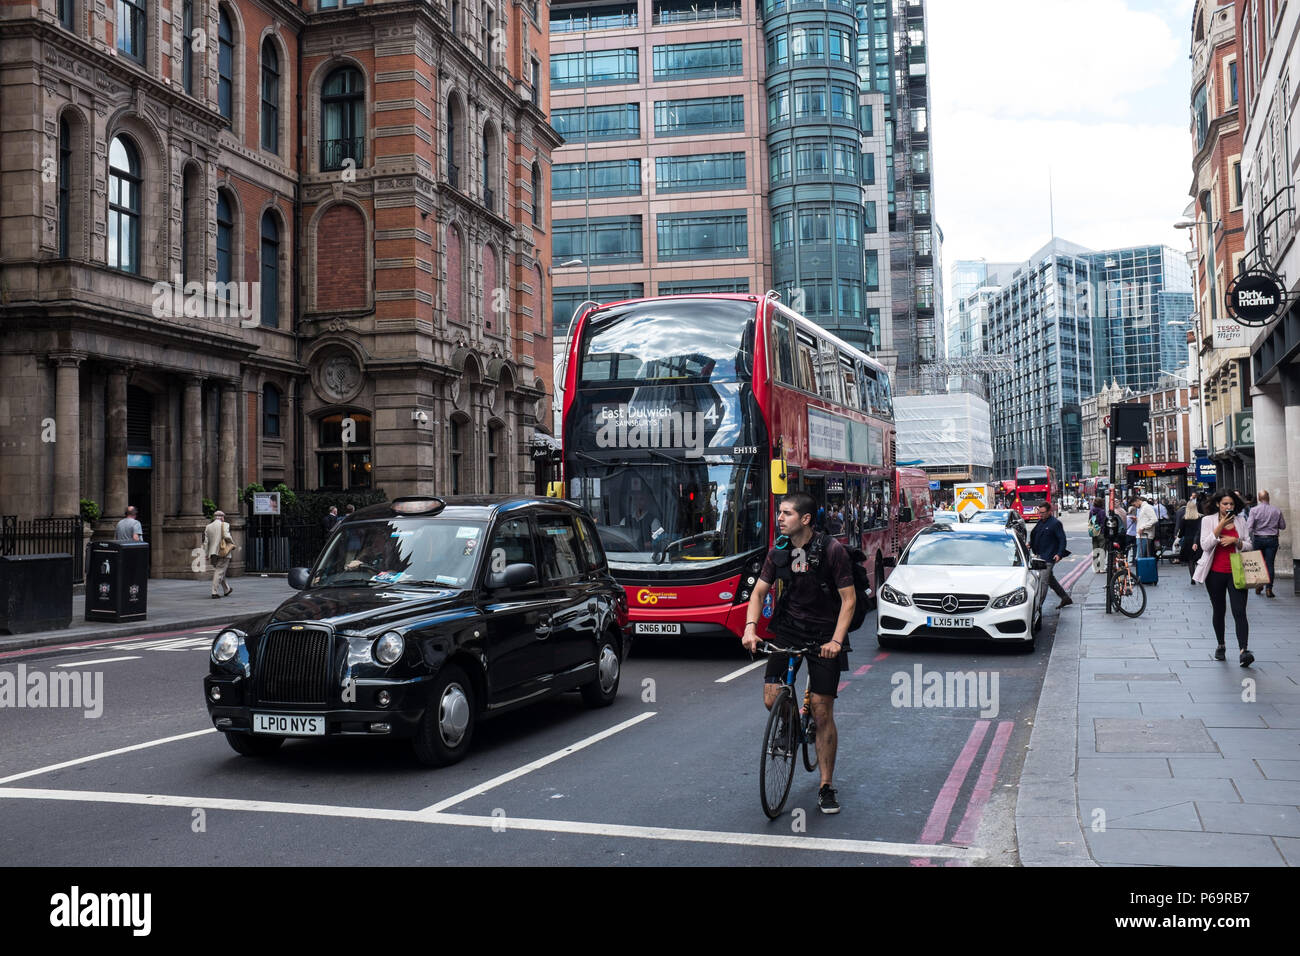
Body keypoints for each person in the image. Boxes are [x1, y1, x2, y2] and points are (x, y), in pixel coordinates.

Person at [742, 492, 855, 815]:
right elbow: (759, 591)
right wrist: (751, 628)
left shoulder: (831, 551)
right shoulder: (778, 549)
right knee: (770, 697)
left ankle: (826, 786)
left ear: (805, 519)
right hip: (789, 628)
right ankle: (790, 724)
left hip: (824, 635)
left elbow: (848, 601)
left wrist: (835, 641)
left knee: (821, 713)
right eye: (779, 512)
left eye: (786, 513)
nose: (779, 518)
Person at [1193, 489, 1254, 667]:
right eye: (1225, 504)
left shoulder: (1241, 521)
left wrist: (1236, 541)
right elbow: (1205, 545)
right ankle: (1221, 644)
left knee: (1239, 611)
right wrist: (1220, 528)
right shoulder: (1207, 520)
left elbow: (1249, 545)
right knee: (1219, 610)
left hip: (1237, 570)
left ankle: (1244, 651)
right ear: (1218, 504)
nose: (1228, 507)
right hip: (1215, 572)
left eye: (1232, 504)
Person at [1029, 501, 1072, 607]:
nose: (1041, 515)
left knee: (1043, 581)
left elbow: (1062, 540)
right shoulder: (1040, 522)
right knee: (1049, 579)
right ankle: (1065, 597)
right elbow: (1037, 535)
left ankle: (1038, 606)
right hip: (1040, 556)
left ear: (1049, 512)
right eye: (1040, 512)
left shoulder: (1055, 523)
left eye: (1043, 512)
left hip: (1049, 557)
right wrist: (1030, 544)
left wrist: (1059, 554)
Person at [1245, 489, 1287, 598]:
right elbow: (1283, 526)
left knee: (1259, 563)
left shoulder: (1254, 510)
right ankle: (1269, 588)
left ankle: (1259, 585)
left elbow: (1249, 527)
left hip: (1258, 539)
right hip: (1272, 539)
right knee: (1270, 564)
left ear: (1259, 498)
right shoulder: (1276, 510)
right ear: (1268, 497)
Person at [204, 510, 235, 598]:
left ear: (214, 517)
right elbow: (227, 536)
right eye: (223, 517)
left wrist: (206, 554)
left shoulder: (208, 527)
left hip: (213, 553)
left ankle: (227, 589)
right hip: (223, 552)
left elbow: (206, 542)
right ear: (222, 517)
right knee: (219, 571)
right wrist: (232, 543)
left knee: (220, 571)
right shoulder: (224, 524)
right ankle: (214, 592)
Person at [1175, 497, 1204, 585]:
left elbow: (1181, 531)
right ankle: (1199, 578)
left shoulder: (1184, 518)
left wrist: (1178, 539)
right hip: (1198, 540)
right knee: (1199, 560)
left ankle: (1192, 578)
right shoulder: (1201, 517)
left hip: (1188, 541)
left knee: (1190, 561)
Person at [1134, 492, 1157, 560]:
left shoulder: (1146, 507)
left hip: (1145, 536)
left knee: (1140, 557)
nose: (1135, 506)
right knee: (1142, 557)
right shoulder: (1143, 508)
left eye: (1134, 504)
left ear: (1137, 501)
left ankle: (1142, 570)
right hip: (1143, 535)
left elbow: (1154, 519)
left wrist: (1143, 527)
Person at [1088, 495, 1107, 573]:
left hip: (1093, 532)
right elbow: (1104, 522)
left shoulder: (1091, 511)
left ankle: (1096, 568)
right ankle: (1101, 568)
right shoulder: (1102, 511)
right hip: (1101, 532)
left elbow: (1089, 521)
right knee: (1102, 550)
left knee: (1095, 550)